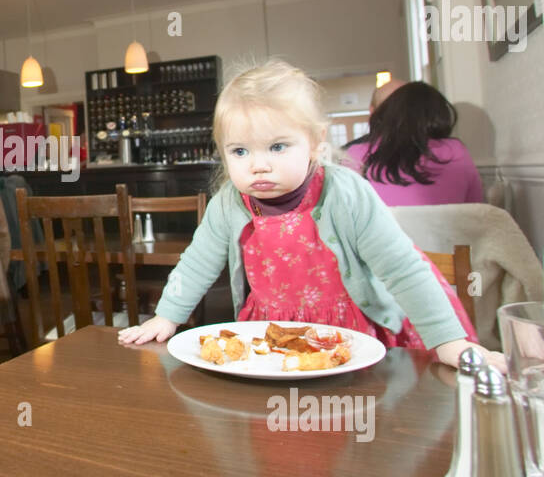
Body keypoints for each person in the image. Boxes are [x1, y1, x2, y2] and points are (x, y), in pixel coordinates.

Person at [117, 59, 491, 369]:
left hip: (350, 334)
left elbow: (402, 268)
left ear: (314, 143)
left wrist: (447, 341)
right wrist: (166, 317)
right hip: (267, 334)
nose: (258, 166)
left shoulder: (345, 194)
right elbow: (196, 264)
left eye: (277, 146)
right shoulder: (228, 203)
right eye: (240, 152)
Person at [342, 81, 484, 205]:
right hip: (447, 235)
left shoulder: (356, 153)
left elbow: (343, 214)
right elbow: (475, 210)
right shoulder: (456, 150)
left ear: (384, 113)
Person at [341, 78, 403, 150]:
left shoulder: (418, 148)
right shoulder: (349, 154)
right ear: (373, 112)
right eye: (388, 107)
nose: (398, 113)